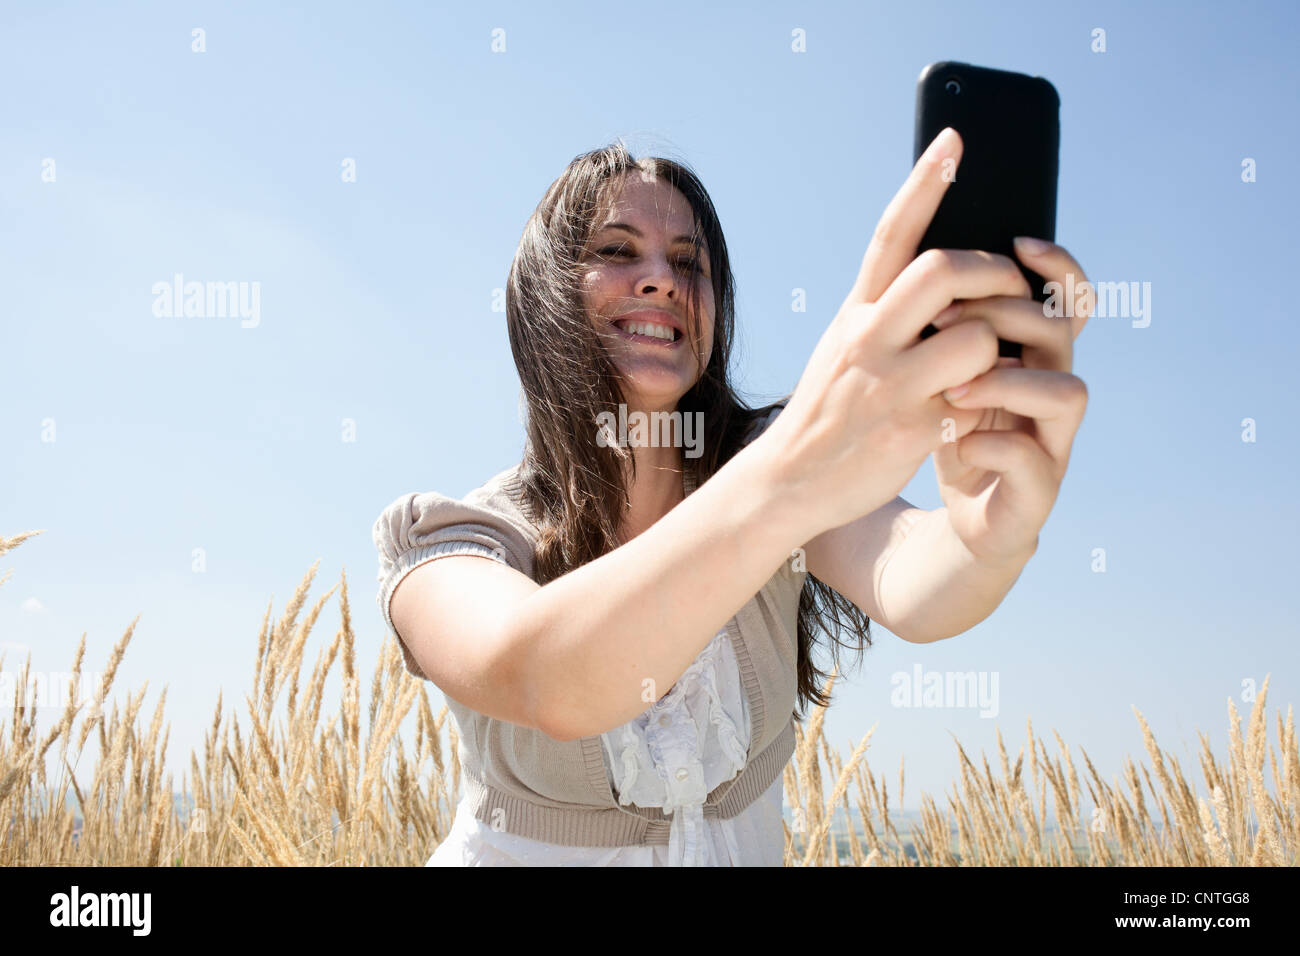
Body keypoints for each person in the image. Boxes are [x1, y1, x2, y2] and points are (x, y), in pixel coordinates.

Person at [372, 127, 1092, 865]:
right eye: (617, 252)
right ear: (543, 294)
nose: (662, 279)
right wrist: (796, 466)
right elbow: (548, 680)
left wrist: (987, 539)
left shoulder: (760, 468)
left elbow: (916, 587)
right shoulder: (454, 542)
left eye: (690, 262)